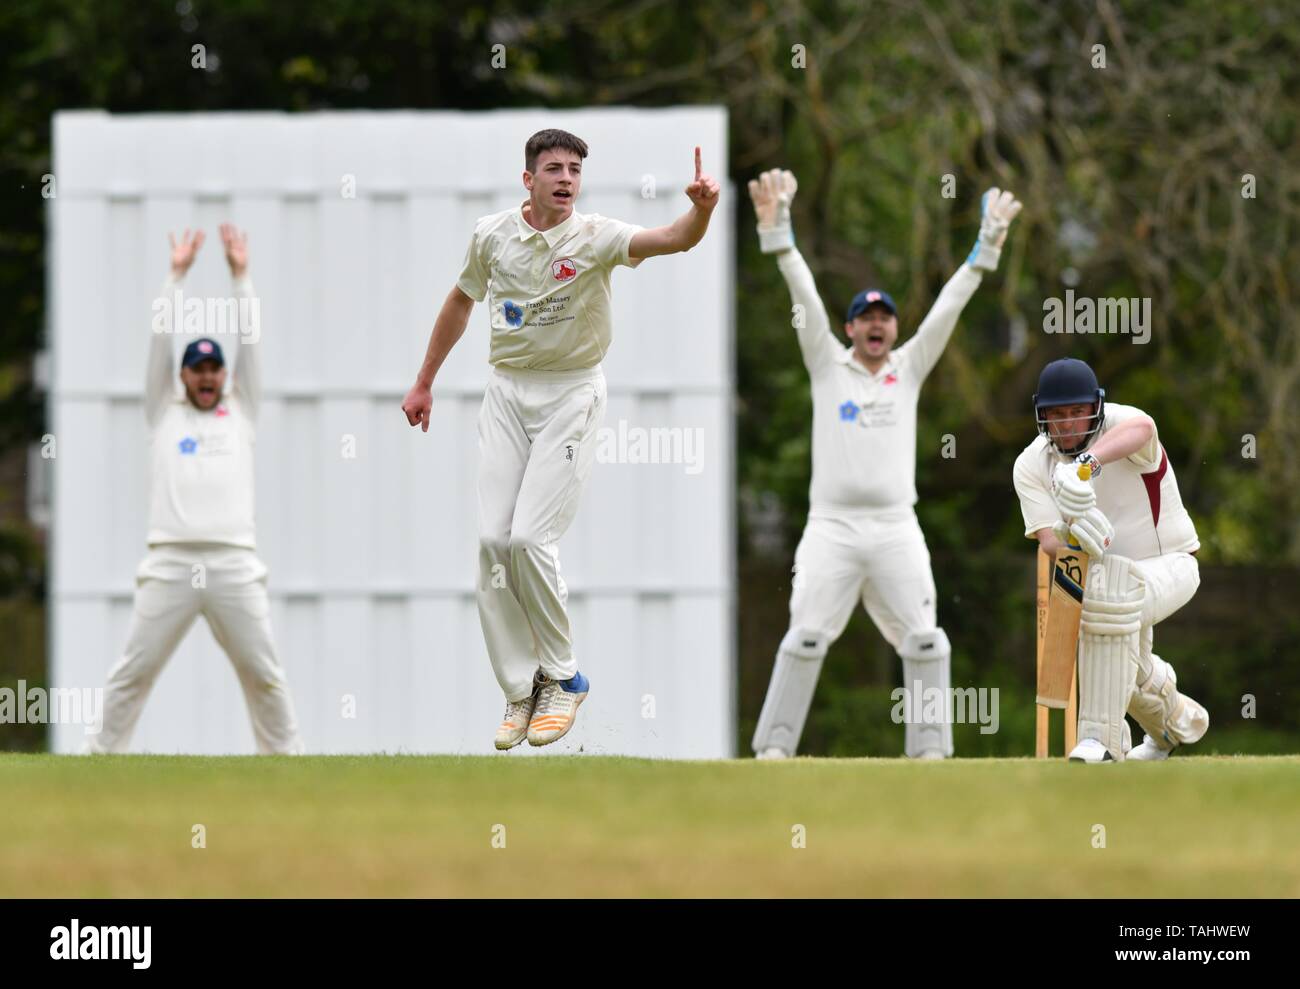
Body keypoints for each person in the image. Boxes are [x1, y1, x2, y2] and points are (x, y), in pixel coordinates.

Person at [401, 129, 720, 750]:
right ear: (529, 179)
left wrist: (701, 210)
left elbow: (673, 240)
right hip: (507, 392)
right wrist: (424, 383)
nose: (566, 178)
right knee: (494, 542)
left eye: (575, 168)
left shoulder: (595, 236)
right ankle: (523, 689)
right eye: (554, 168)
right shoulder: (492, 235)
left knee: (528, 537)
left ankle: (565, 678)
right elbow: (460, 303)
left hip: (572, 393)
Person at [747, 169, 1021, 759]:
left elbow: (949, 307)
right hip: (832, 526)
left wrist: (986, 248)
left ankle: (929, 754)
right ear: (850, 329)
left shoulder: (911, 366)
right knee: (807, 637)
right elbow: (805, 299)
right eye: (866, 318)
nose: (876, 324)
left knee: (924, 642)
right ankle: (773, 752)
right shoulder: (826, 364)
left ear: (894, 329)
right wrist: (779, 236)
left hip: (897, 525)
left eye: (885, 318)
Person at [88, 225, 303, 754]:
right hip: (170, 564)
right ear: (182, 377)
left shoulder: (242, 409)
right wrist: (176, 276)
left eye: (214, 369)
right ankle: (96, 762)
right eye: (197, 370)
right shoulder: (162, 410)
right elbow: (159, 341)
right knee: (132, 674)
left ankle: (289, 766)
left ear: (224, 376)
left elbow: (250, 343)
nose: (206, 377)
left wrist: (241, 277)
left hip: (234, 563)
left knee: (264, 674)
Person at [1013, 357, 1209, 762]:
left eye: (1076, 412)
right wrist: (1075, 536)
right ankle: (1176, 722)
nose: (1067, 423)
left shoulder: (1122, 423)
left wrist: (1086, 467)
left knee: (1106, 594)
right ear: (1042, 416)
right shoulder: (1031, 464)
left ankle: (1101, 742)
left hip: (1171, 564)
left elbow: (1145, 429)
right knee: (1125, 663)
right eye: (1057, 415)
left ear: (1095, 408)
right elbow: (1050, 541)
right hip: (1106, 581)